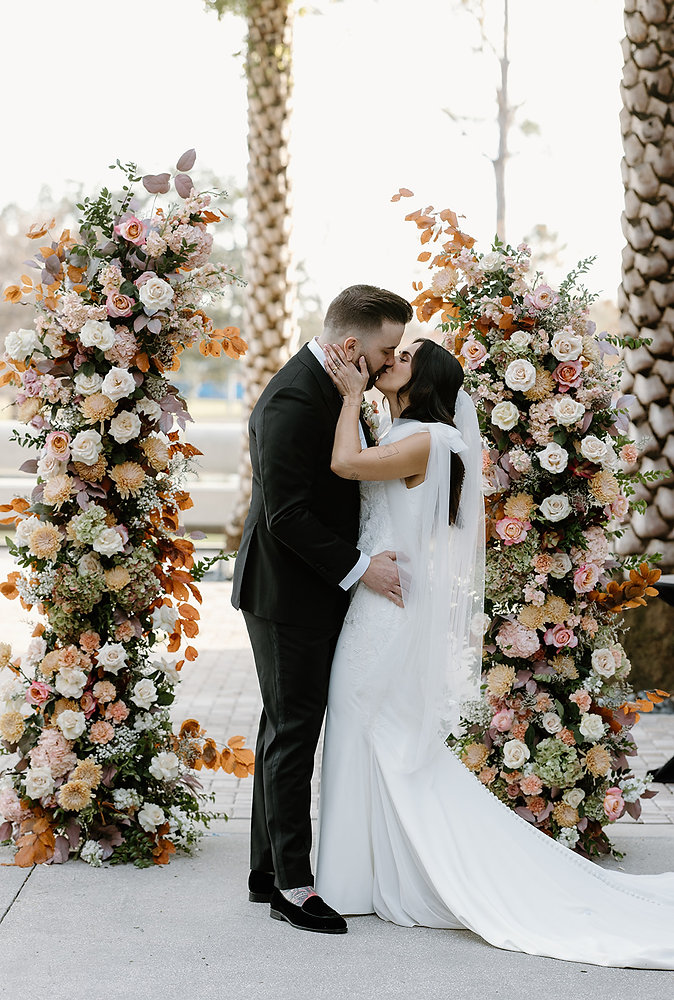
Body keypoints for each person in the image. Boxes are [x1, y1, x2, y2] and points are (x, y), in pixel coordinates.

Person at [315, 337, 674, 969]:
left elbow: (345, 464)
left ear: (423, 380)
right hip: (384, 594)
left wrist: (349, 397)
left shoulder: (427, 439)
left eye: (406, 356)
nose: (392, 358)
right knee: (367, 728)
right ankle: (358, 875)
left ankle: (350, 880)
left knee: (356, 718)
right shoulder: (410, 430)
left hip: (385, 604)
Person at [231, 283, 413, 934]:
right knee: (294, 735)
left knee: (282, 727)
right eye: (386, 350)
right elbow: (285, 517)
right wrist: (364, 569)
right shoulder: (289, 400)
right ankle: (293, 886)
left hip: (308, 590)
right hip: (287, 595)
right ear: (348, 347)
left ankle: (264, 870)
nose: (392, 361)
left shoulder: (334, 390)